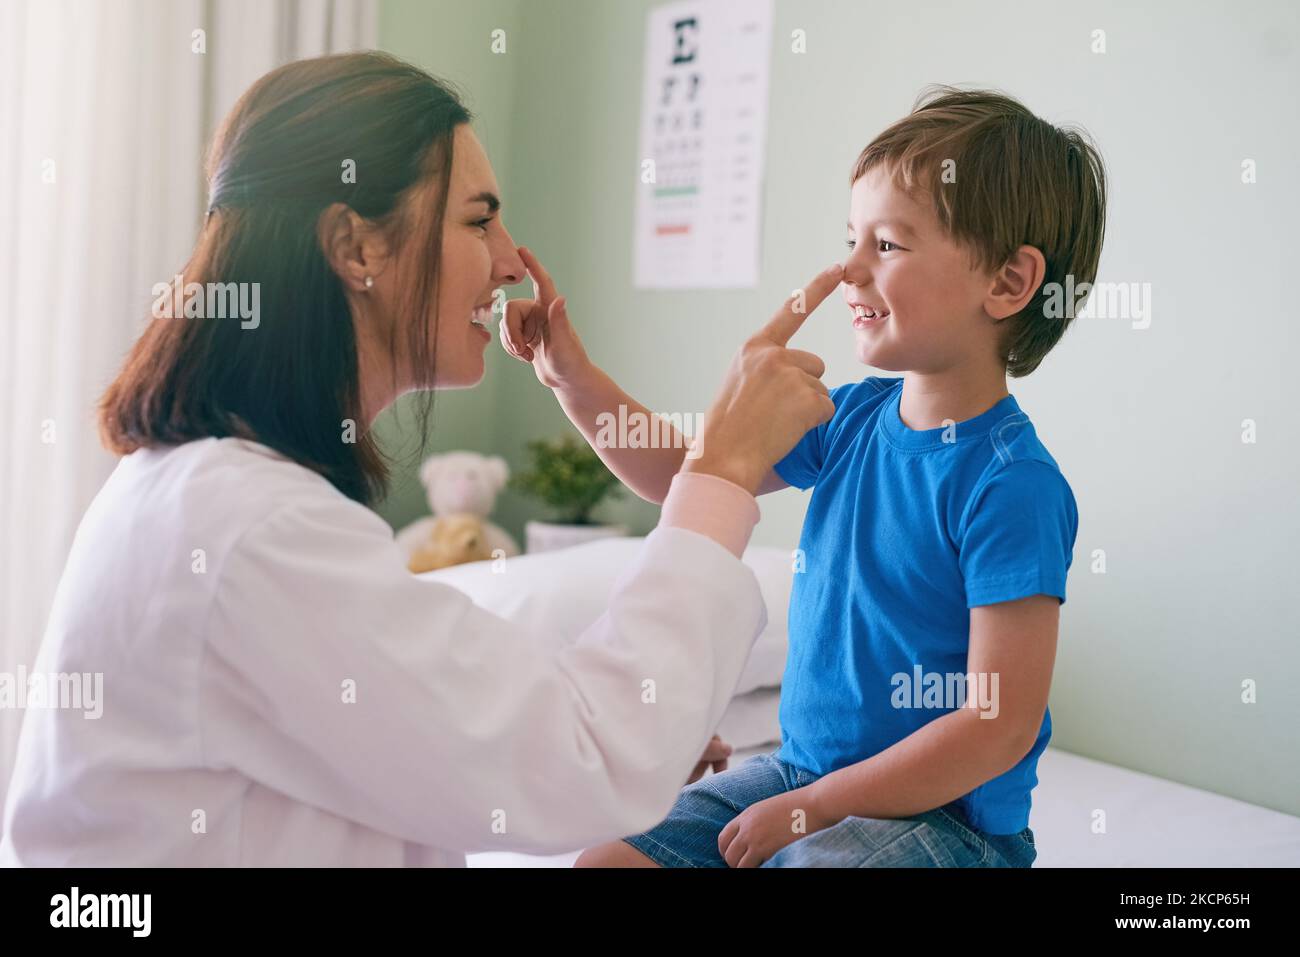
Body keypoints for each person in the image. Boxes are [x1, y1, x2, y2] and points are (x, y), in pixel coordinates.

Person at [0, 52, 840, 867]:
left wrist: (644, 721)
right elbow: (584, 756)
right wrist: (721, 473)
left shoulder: (211, 494)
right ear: (355, 246)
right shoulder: (250, 528)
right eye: (479, 219)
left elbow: (445, 727)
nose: (513, 262)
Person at [548, 87, 1105, 867]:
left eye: (888, 244)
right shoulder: (844, 418)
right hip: (800, 772)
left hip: (947, 823)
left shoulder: (1012, 483)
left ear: (1009, 283)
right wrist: (572, 380)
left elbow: (998, 723)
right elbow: (688, 472)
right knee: (604, 860)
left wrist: (813, 811)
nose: (848, 268)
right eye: (853, 238)